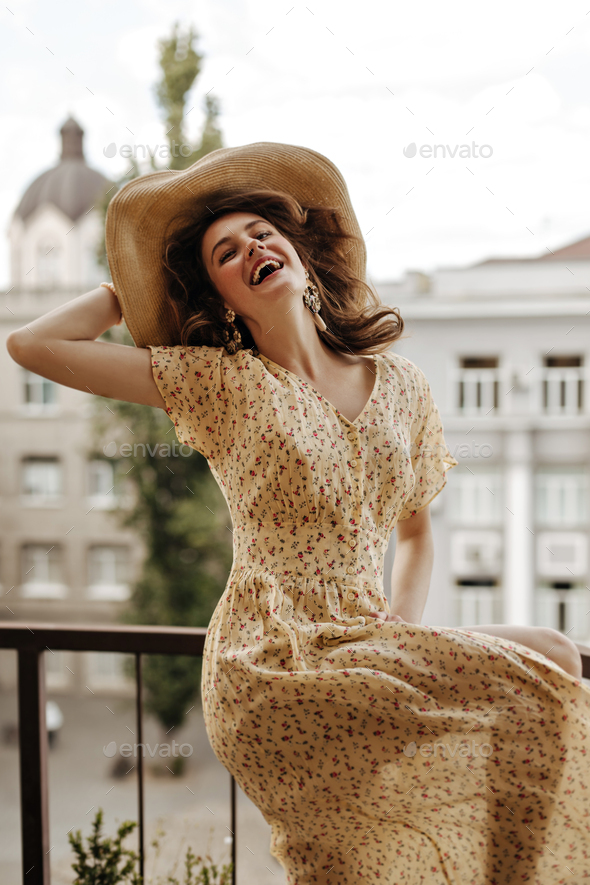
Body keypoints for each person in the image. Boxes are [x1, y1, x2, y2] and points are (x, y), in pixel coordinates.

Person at [7, 142, 590, 884]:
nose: (251, 246)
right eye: (225, 251)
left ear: (299, 256)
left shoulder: (402, 386)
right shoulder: (222, 384)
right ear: (222, 297)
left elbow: (416, 535)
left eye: (262, 233)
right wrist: (131, 286)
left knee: (554, 654)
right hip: (269, 659)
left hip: (365, 643)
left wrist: (400, 642)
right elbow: (33, 344)